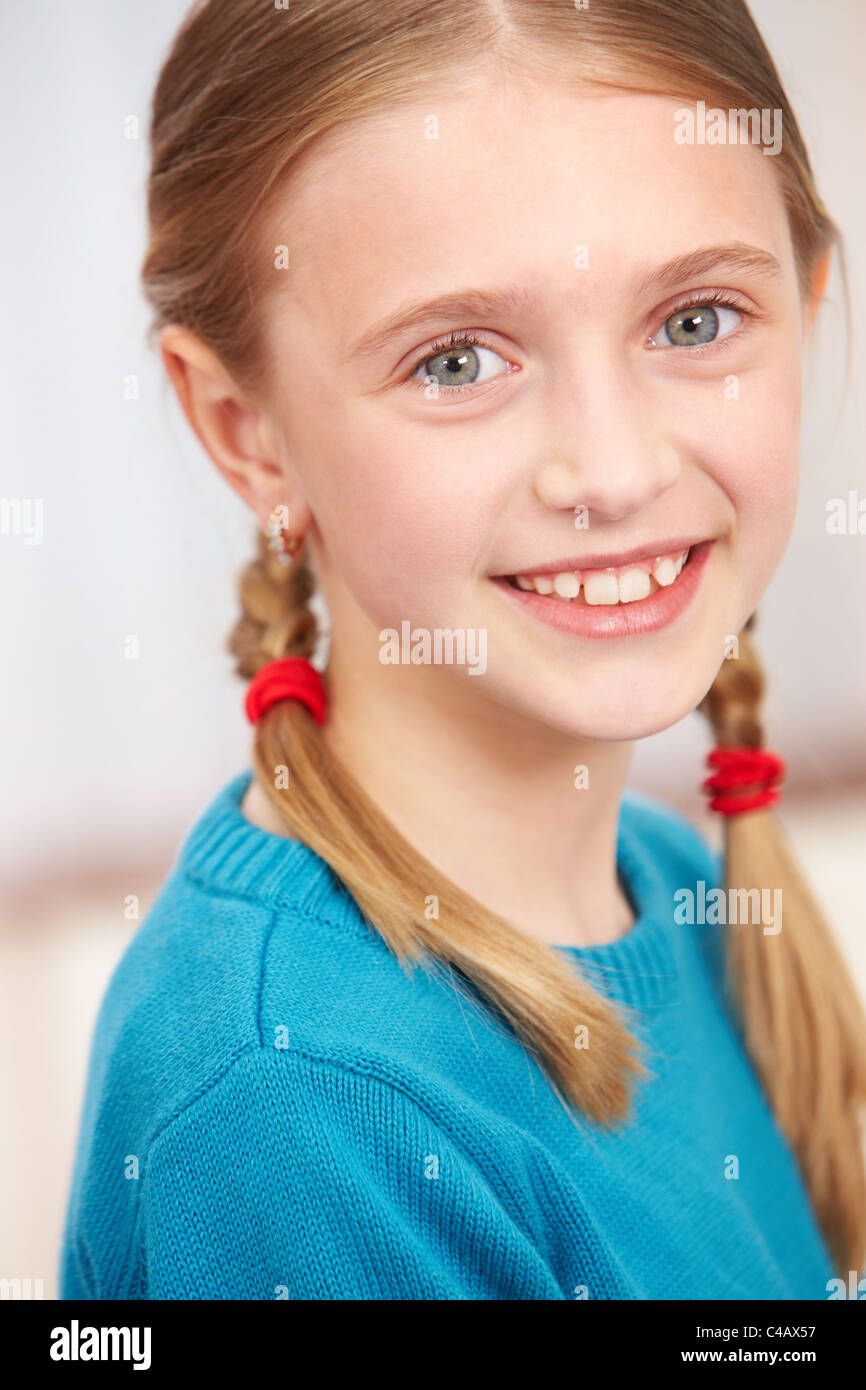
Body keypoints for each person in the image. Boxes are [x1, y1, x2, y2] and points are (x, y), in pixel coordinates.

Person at [59, 0, 866, 1299]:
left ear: (809, 301)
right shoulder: (295, 1105)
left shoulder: (664, 877)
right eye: (455, 360)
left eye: (695, 321)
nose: (610, 467)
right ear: (245, 431)